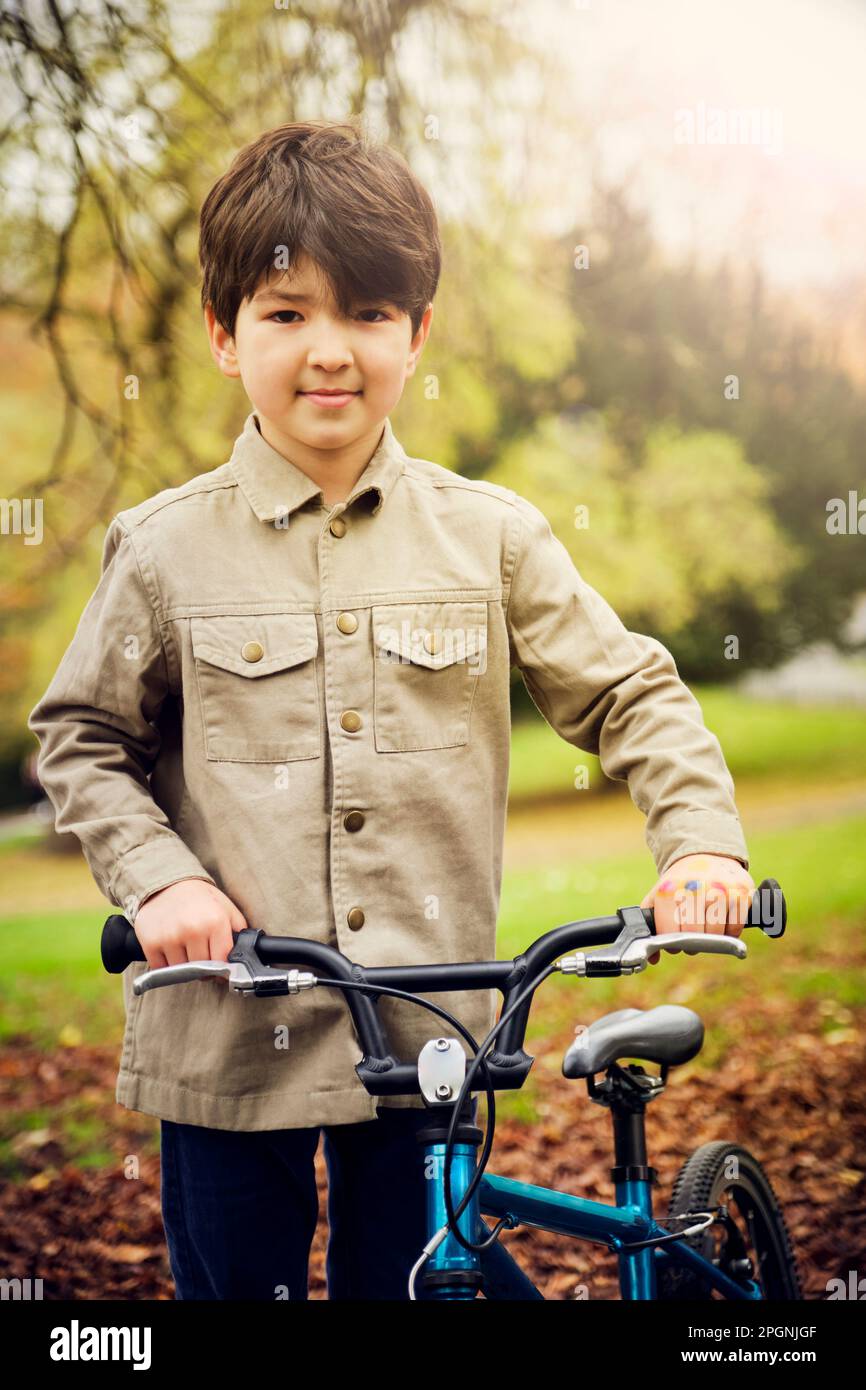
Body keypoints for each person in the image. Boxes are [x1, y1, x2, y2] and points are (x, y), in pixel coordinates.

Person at [27, 119, 754, 1301]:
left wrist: (700, 843)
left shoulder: (491, 536)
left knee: (421, 1284)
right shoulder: (162, 551)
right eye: (285, 312)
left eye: (367, 314)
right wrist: (158, 878)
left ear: (417, 335)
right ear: (222, 333)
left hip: (431, 1039)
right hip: (225, 1034)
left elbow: (631, 692)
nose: (329, 351)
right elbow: (82, 737)